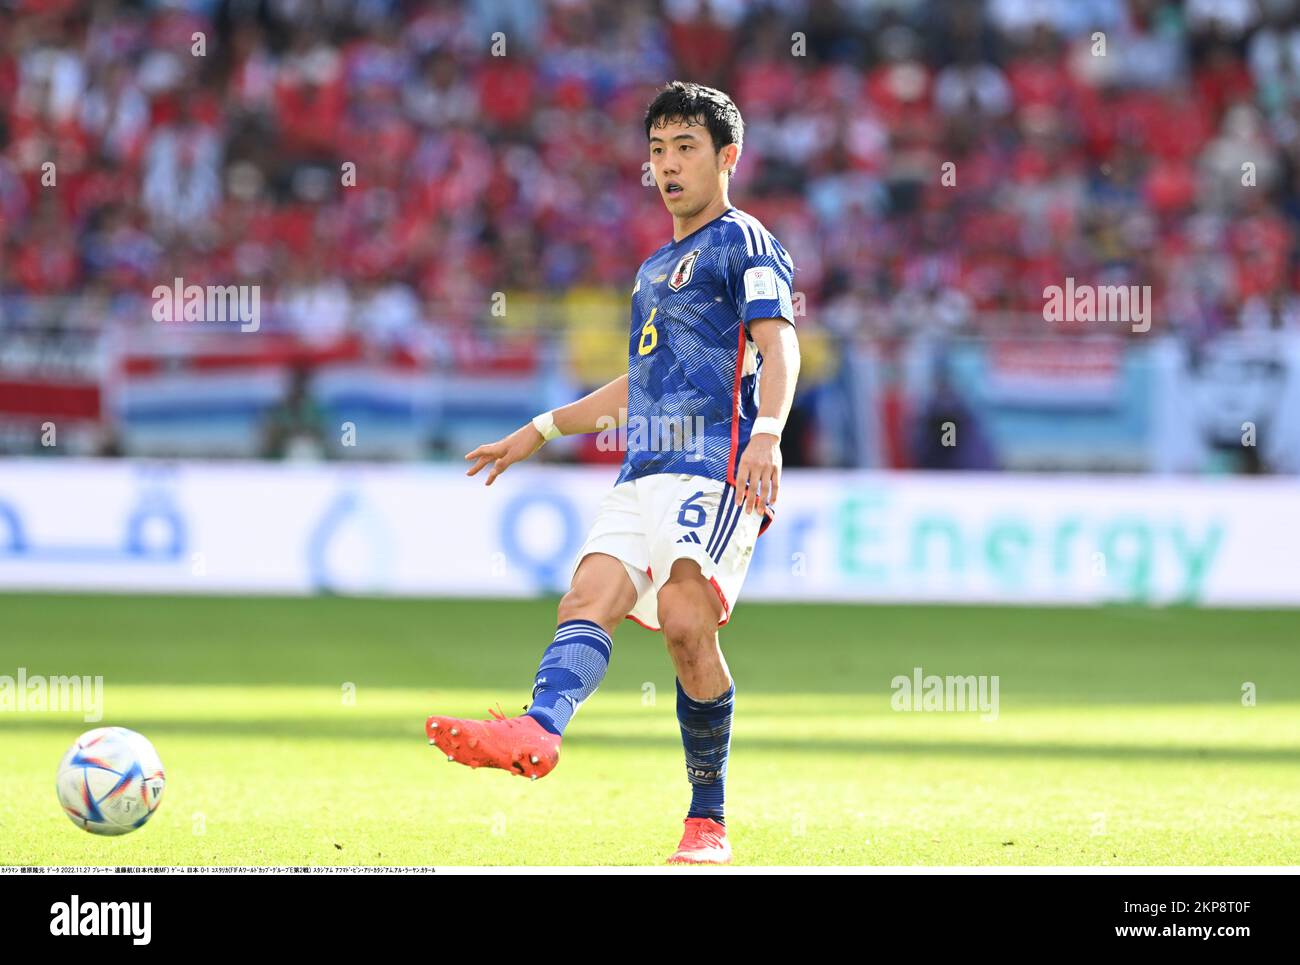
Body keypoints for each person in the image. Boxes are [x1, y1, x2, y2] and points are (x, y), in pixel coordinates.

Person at [426, 81, 801, 865]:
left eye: (685, 148)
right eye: (657, 150)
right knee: (587, 596)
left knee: (686, 623)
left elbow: (778, 343)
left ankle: (708, 821)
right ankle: (539, 726)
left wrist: (766, 433)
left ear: (727, 156)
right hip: (643, 467)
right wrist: (539, 428)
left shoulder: (744, 240)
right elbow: (644, 385)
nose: (667, 165)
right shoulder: (653, 268)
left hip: (715, 462)